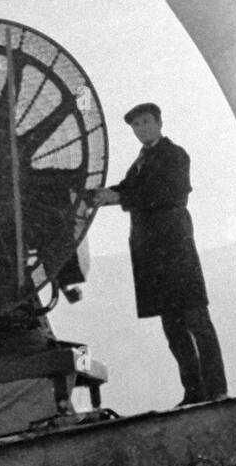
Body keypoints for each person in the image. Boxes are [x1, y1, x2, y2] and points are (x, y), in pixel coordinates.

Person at [95, 104, 227, 406]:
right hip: (152, 254)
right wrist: (101, 196)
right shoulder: (140, 163)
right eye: (136, 126)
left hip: (174, 248)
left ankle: (217, 390)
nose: (141, 129)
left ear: (159, 123)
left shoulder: (175, 155)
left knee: (196, 320)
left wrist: (121, 197)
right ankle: (194, 391)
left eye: (145, 122)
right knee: (173, 327)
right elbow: (126, 190)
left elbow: (168, 193)